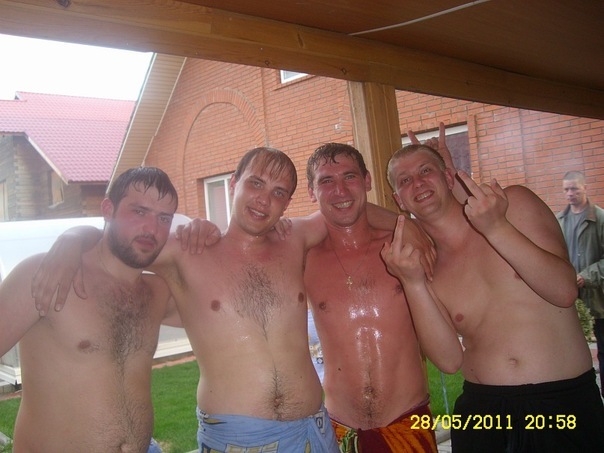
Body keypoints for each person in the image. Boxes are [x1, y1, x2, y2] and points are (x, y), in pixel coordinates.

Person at [33, 147, 434, 452]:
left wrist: (407, 224)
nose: (264, 200)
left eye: (278, 192)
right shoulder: (186, 251)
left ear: (287, 203)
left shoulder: (295, 239)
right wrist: (72, 239)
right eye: (255, 184)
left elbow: (348, 209)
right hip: (237, 439)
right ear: (233, 183)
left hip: (314, 431)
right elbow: (119, 241)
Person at [382, 141, 604, 452]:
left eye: (425, 171)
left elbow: (564, 291)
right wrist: (412, 283)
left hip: (560, 405)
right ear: (399, 200)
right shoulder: (426, 265)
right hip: (482, 413)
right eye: (405, 180)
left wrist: (496, 228)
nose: (417, 183)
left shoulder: (512, 204)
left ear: (448, 177)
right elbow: (448, 361)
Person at [0, 167, 184, 452]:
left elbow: (224, 310)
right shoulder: (47, 274)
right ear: (108, 209)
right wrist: (75, 236)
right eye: (139, 212)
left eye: (164, 218)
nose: (152, 229)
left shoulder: (158, 293)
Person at [304, 143, 437, 452]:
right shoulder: (304, 258)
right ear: (312, 192)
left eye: (349, 176)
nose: (340, 190)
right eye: (326, 181)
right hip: (339, 430)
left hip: (408, 424)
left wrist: (407, 225)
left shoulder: (404, 248)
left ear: (367, 181)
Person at [557, 170, 604, 395]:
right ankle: (578, 396)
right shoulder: (559, 221)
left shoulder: (600, 219)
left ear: (585, 187)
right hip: (570, 300)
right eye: (566, 189)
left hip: (598, 300)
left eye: (574, 188)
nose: (570, 193)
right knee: (571, 352)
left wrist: (586, 276)